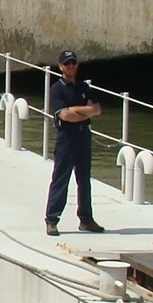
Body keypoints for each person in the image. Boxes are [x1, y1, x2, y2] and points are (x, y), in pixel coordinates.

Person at [44, 49, 104, 236]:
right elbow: (64, 115)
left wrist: (76, 111)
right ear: (61, 66)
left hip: (83, 136)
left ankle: (86, 219)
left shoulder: (84, 87)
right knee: (61, 178)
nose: (71, 66)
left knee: (84, 179)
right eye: (67, 63)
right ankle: (52, 220)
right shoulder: (57, 89)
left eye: (73, 63)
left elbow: (97, 110)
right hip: (66, 137)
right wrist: (84, 112)